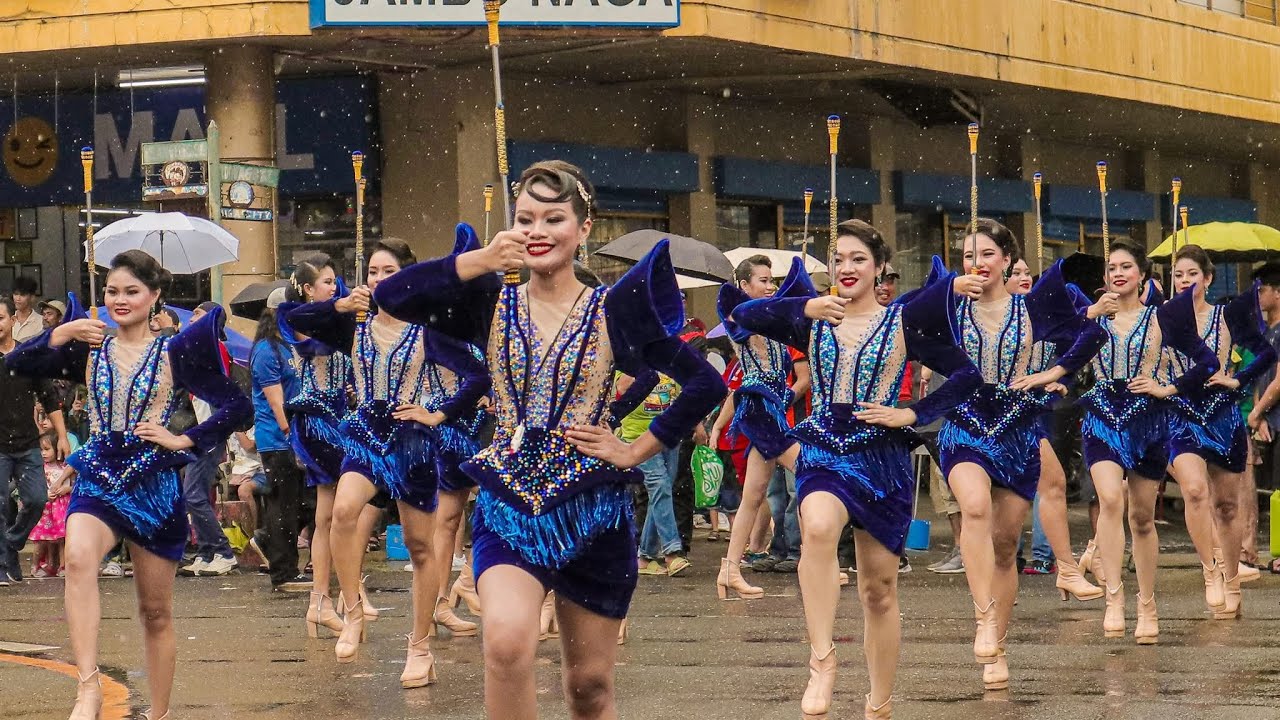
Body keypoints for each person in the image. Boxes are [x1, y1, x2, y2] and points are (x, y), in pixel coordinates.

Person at [373, 160, 724, 719]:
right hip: (509, 506)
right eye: (526, 218)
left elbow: (704, 382)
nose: (538, 230)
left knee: (589, 690)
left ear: (584, 229)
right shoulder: (489, 302)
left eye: (554, 218)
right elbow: (391, 296)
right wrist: (481, 260)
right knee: (507, 643)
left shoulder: (614, 310)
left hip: (596, 514)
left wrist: (635, 450)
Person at [734, 220, 981, 718]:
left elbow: (967, 376)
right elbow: (742, 311)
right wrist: (803, 305)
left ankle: (879, 703)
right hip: (825, 447)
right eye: (840, 259)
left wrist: (913, 412)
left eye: (858, 260)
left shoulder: (904, 322)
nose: (847, 268)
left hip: (883, 459)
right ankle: (822, 659)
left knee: (878, 592)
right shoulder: (813, 319)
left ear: (880, 268)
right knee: (819, 527)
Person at [9, 249, 250, 720]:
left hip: (154, 484)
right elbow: (13, 366)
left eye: (132, 291)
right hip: (97, 475)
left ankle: (158, 713)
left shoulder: (175, 351)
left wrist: (183, 439)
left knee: (155, 613)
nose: (120, 300)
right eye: (113, 291)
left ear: (154, 296)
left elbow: (237, 407)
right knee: (77, 559)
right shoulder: (88, 346)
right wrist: (60, 332)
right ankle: (87, 687)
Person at [289, 236, 490, 688]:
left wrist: (437, 413)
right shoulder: (353, 326)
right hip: (363, 433)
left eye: (390, 273)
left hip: (412, 439)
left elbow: (477, 376)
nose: (380, 280)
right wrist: (341, 306)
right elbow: (293, 316)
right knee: (342, 513)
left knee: (421, 548)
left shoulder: (428, 329)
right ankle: (353, 612)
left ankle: (419, 647)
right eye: (374, 273)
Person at [941, 219, 1105, 691]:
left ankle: (999, 643)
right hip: (966, 425)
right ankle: (982, 619)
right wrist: (951, 286)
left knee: (1006, 545)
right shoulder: (951, 307)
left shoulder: (1032, 308)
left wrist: (1053, 372)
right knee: (973, 507)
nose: (978, 263)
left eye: (988, 254)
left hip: (1019, 430)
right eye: (969, 255)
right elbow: (903, 317)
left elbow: (1090, 335)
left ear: (1008, 260)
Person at [1078, 242, 1221, 643]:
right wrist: (1089, 314)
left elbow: (1207, 362)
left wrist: (1167, 388)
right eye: (1111, 267)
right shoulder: (1092, 318)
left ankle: (1146, 603)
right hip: (1102, 416)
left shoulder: (1160, 319)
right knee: (1109, 498)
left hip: (1148, 422)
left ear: (1142, 275)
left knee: (1141, 518)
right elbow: (1052, 338)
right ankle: (1114, 598)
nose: (1117, 273)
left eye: (1126, 266)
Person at [277, 255, 386, 638]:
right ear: (308, 289)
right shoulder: (300, 317)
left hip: (339, 418)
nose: (333, 287)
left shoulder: (341, 320)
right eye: (326, 282)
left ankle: (323, 599)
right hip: (316, 421)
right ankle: (343, 593)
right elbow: (293, 320)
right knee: (349, 508)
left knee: (329, 516)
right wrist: (340, 307)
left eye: (335, 281)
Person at [1164, 244, 1274, 619]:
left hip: (1223, 415)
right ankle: (1209, 570)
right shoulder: (1162, 317)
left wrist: (1237, 379)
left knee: (1227, 507)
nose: (1183, 281)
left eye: (1191, 274)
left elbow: (1267, 354)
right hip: (1182, 414)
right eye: (1177, 275)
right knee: (1194, 490)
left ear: (1208, 279)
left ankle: (1230, 579)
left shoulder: (1225, 316)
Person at [711, 255, 810, 599]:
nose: (770, 287)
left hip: (771, 408)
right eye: (763, 280)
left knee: (753, 496)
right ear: (744, 285)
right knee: (813, 471)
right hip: (758, 407)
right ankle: (814, 563)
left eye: (772, 281)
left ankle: (730, 569)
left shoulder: (770, 316)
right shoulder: (741, 316)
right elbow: (736, 317)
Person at [0, 295, 70, 585]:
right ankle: (4, 564)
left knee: (37, 500)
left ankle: (12, 544)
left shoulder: (26, 357)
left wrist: (63, 435)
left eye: (0, 318)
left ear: (11, 320)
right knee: (0, 504)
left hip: (28, 444)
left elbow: (49, 397)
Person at [247, 288, 311, 592]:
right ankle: (283, 572)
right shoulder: (266, 350)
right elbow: (276, 401)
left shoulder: (290, 347)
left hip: (295, 437)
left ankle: (266, 540)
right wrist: (291, 434)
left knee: (303, 503)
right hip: (277, 439)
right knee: (283, 505)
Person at [178, 302, 238, 578]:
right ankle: (206, 552)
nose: (191, 320)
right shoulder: (200, 347)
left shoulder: (215, 348)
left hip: (208, 430)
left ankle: (222, 551)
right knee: (193, 494)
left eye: (198, 315)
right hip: (199, 431)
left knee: (194, 494)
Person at [1245, 262, 1280, 573]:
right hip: (1269, 420)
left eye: (1263, 290)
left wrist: (1257, 412)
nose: (1258, 296)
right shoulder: (1264, 332)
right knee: (1271, 490)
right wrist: (1259, 415)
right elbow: (1260, 377)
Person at [28, 431, 70, 578]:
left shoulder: (65, 467)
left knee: (61, 538)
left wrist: (67, 489)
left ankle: (61, 566)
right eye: (41, 450)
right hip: (45, 508)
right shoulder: (39, 468)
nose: (43, 453)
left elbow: (74, 485)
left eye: (47, 449)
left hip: (61, 507)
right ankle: (36, 565)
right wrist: (44, 494)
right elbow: (34, 486)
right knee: (41, 539)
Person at [11, 275, 43, 342]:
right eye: (16, 294)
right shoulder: (7, 319)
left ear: (32, 297)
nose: (18, 299)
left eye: (22, 295)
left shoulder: (41, 322)